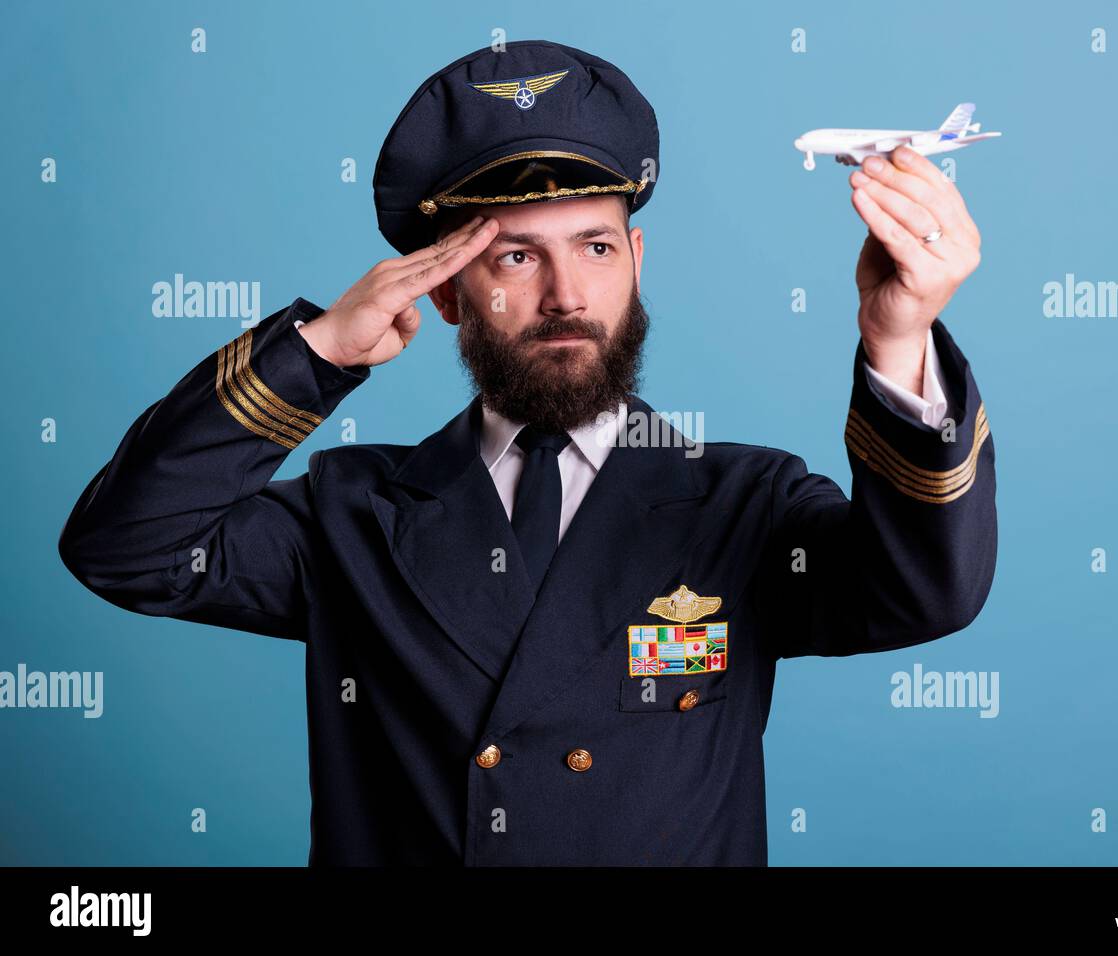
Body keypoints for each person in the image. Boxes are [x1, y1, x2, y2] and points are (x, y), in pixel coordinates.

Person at [57, 40, 997, 866]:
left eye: (594, 246)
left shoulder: (743, 501)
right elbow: (125, 551)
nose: (565, 295)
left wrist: (898, 336)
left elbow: (926, 592)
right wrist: (316, 356)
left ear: (637, 260)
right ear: (449, 293)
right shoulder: (351, 514)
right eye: (514, 257)